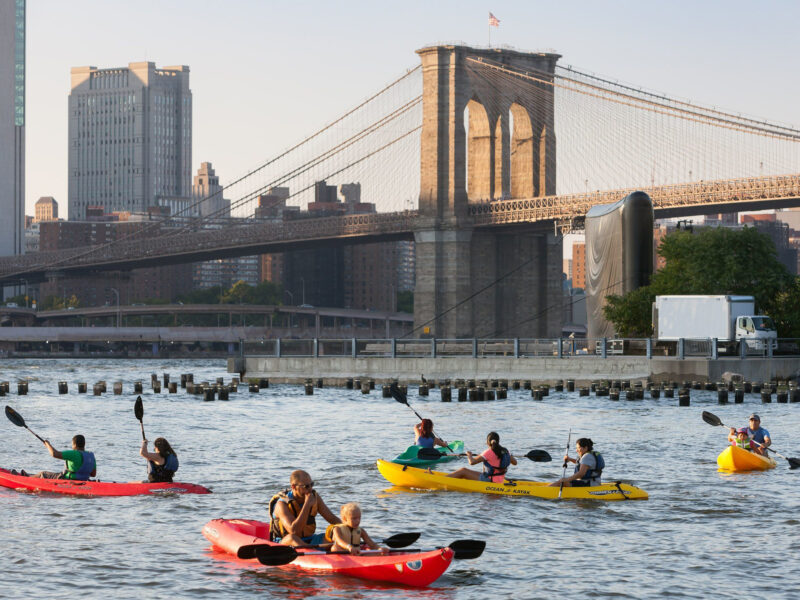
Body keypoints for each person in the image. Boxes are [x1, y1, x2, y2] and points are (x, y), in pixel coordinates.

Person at [268, 470, 340, 547]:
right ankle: (314, 552)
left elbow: (332, 518)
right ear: (293, 487)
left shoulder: (314, 497)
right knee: (292, 538)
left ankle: (316, 551)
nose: (310, 489)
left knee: (335, 532)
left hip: (310, 539)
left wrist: (349, 529)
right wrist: (307, 504)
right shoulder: (282, 504)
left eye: (311, 484)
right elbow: (294, 531)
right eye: (306, 486)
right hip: (286, 542)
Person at [446, 432, 516, 481]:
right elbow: (515, 462)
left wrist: (469, 455)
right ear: (498, 441)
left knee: (463, 471)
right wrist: (510, 455)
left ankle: (443, 479)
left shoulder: (489, 452)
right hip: (500, 479)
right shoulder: (505, 451)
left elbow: (472, 462)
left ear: (487, 442)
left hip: (490, 480)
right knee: (465, 473)